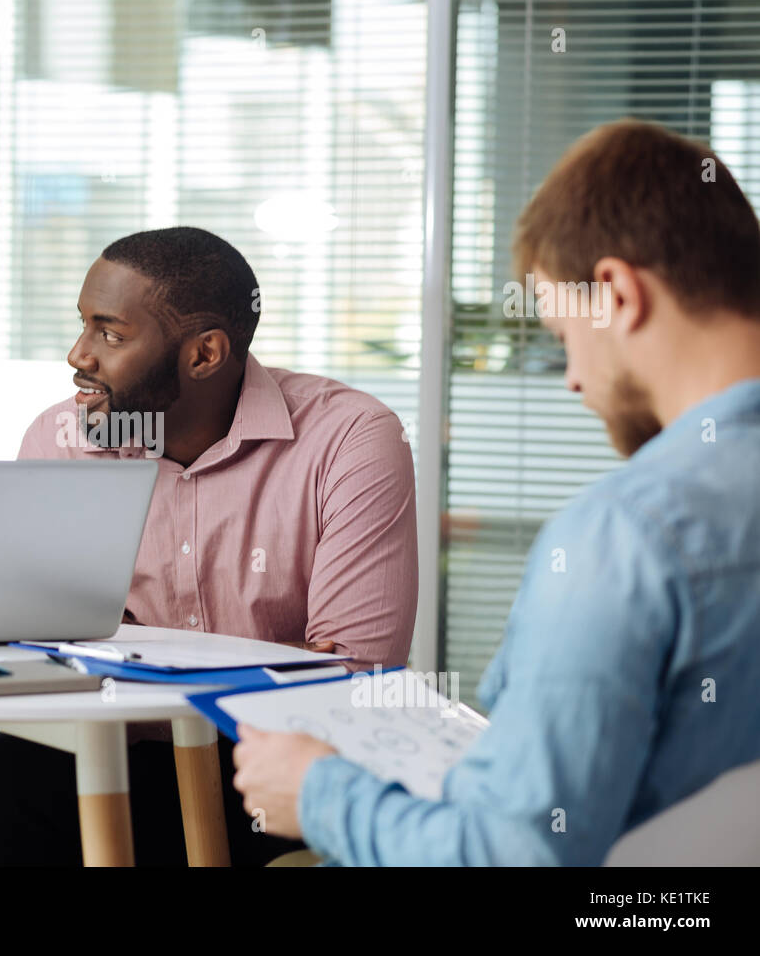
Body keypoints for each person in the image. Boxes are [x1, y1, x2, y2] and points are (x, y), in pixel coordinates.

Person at [233, 119, 760, 865]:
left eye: (563, 336)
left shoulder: (628, 536)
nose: (573, 377)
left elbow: (515, 853)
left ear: (615, 293)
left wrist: (314, 787)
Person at [0, 226, 418, 865]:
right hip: (117, 745)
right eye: (83, 326)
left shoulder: (350, 438)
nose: (79, 355)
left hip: (280, 756)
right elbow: (43, 651)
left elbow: (354, 673)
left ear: (205, 354)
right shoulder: (62, 439)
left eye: (110, 333)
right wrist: (274, 659)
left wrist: (130, 651)